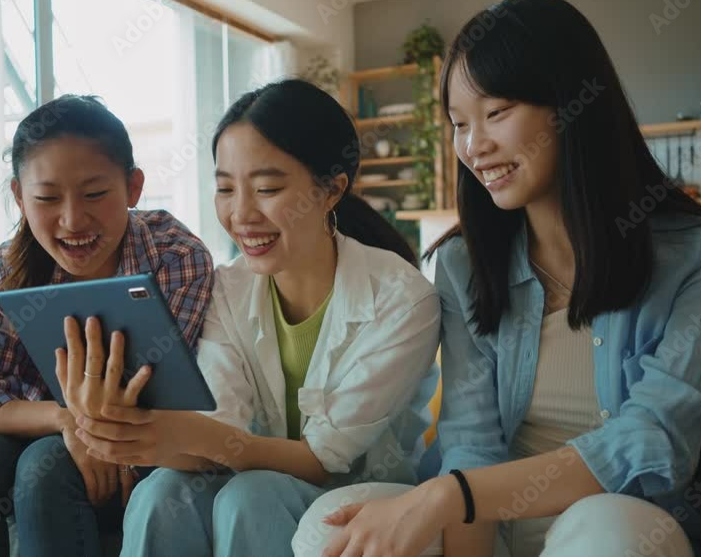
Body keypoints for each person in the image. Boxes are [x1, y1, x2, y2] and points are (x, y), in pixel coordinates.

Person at [301, 0, 701, 557]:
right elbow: (470, 440)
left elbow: (654, 442)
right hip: (490, 521)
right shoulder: (466, 264)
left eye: (496, 113)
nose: (474, 146)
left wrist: (449, 496)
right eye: (459, 124)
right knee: (330, 522)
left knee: (606, 533)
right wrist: (455, 502)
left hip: (624, 522)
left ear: (572, 105)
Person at [59, 79, 441, 557]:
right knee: (161, 491)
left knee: (251, 495)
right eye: (224, 189)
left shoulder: (403, 299)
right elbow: (219, 425)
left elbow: (325, 459)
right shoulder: (230, 288)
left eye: (267, 188)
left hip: (361, 496)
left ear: (331, 190)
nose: (241, 214)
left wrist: (195, 435)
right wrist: (122, 433)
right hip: (251, 479)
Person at [0, 95, 214, 557]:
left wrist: (83, 431)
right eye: (46, 198)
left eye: (95, 194)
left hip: (149, 442)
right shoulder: (10, 267)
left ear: (134, 187)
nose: (72, 220)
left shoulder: (175, 257)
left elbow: (166, 394)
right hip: (51, 429)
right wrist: (66, 420)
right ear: (21, 198)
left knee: (45, 466)